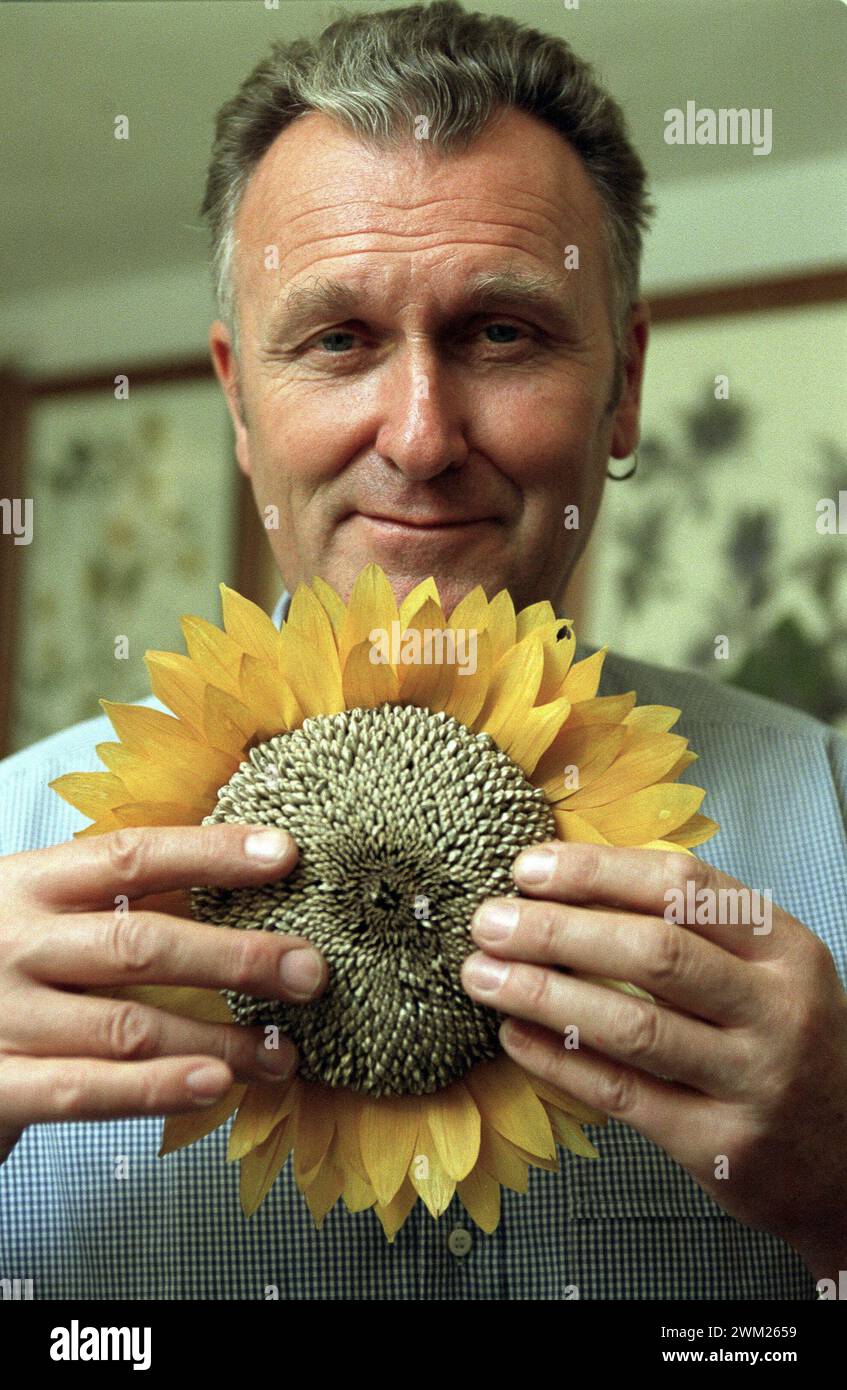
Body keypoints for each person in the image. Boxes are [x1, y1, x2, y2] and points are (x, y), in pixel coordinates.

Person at [1, 1, 844, 1301]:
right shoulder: (8, 849)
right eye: (338, 339)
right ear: (238, 398)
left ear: (623, 384)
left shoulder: (833, 823)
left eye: (500, 333)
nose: (419, 434)